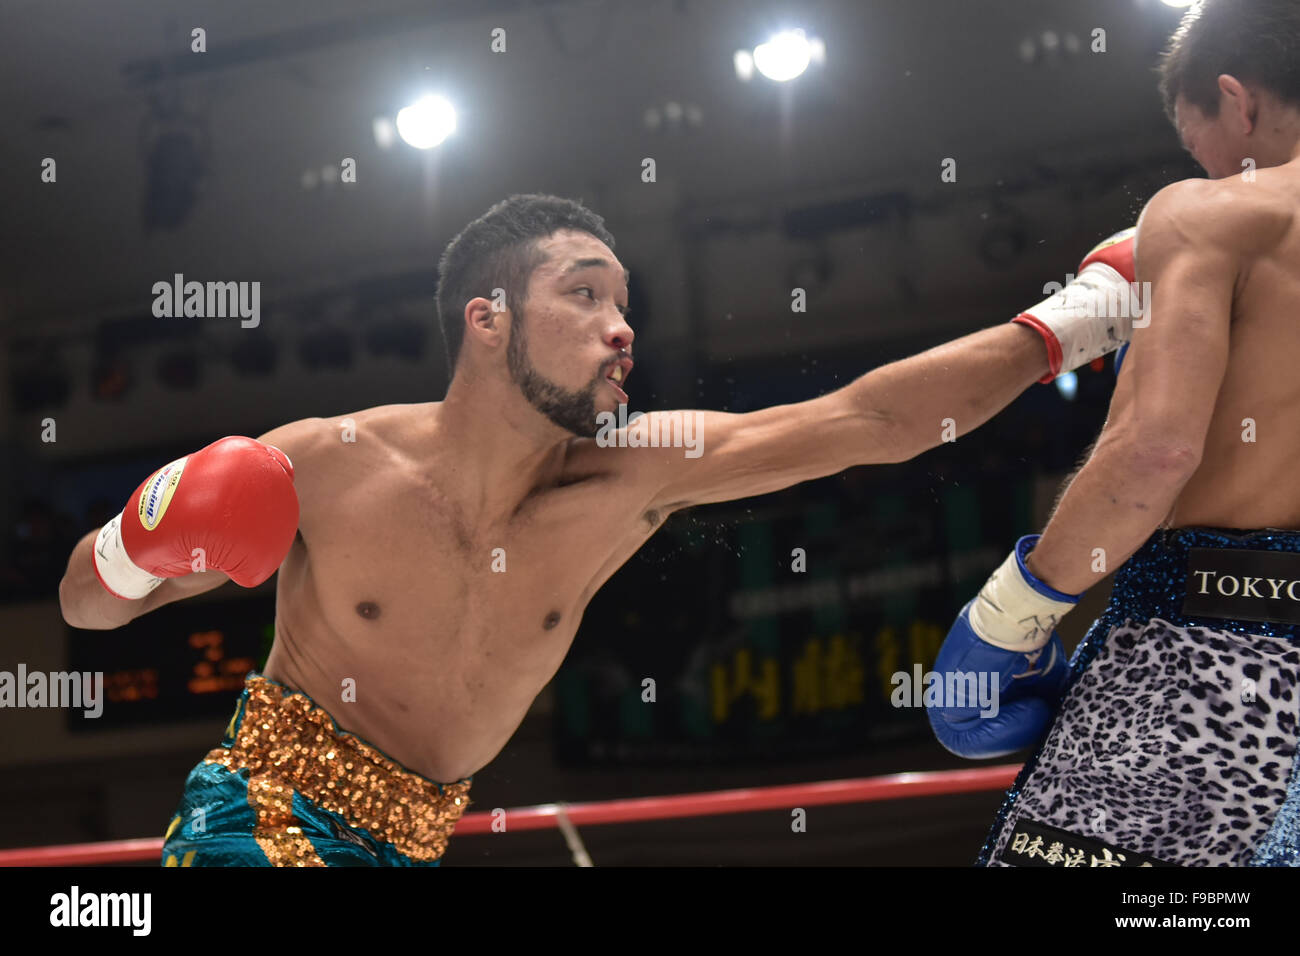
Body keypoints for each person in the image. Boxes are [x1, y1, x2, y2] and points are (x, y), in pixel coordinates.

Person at [59, 194, 1131, 866]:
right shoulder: (334, 463)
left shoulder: (634, 475)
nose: (623, 329)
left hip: (410, 840)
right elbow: (83, 603)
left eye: (628, 305)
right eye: (584, 297)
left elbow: (863, 421)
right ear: (488, 320)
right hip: (264, 813)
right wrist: (133, 537)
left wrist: (1077, 319)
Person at [929, 0, 1300, 868]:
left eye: (1195, 135)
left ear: (1235, 100)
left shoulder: (1215, 214)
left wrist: (1010, 619)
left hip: (1212, 658)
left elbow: (1157, 450)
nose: (1201, 163)